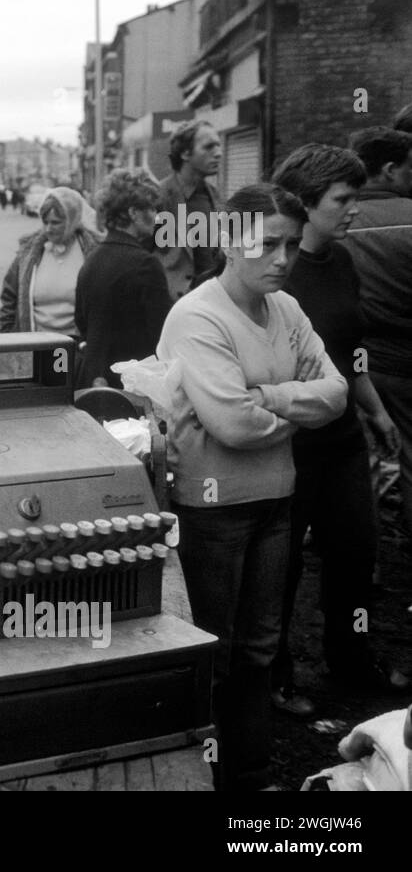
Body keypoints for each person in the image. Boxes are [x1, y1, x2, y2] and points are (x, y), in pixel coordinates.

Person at [157, 183, 348, 791]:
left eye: (290, 244)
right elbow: (233, 426)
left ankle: (250, 770)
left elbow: (338, 392)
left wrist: (265, 397)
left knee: (262, 647)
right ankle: (201, 774)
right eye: (266, 243)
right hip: (211, 508)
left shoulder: (287, 310)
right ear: (227, 241)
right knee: (213, 650)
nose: (282, 258)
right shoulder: (197, 315)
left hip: (276, 499)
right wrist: (293, 403)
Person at [269, 144, 408, 716]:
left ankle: (350, 658)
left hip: (343, 437)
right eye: (343, 199)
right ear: (307, 203)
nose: (353, 209)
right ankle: (274, 673)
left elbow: (351, 352)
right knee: (283, 565)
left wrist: (373, 409)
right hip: (289, 443)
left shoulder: (344, 262)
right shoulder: (275, 271)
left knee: (353, 552)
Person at [344, 127, 412, 558]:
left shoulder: (339, 221)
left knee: (357, 464)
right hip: (406, 364)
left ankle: (361, 566)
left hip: (352, 363)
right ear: (388, 169)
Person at [74, 170, 171, 389]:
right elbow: (163, 335)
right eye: (153, 209)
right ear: (134, 213)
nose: (157, 217)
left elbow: (82, 321)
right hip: (133, 383)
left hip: (93, 379)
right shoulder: (146, 265)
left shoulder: (91, 260)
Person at [0, 187, 101, 336]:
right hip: (37, 344)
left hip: (77, 346)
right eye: (45, 222)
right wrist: (8, 335)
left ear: (72, 220)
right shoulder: (28, 253)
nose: (48, 229)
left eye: (55, 222)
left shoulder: (93, 252)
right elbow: (10, 295)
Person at [155, 119, 224, 302]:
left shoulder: (215, 196)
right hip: (170, 304)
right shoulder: (158, 197)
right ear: (185, 153)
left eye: (219, 146)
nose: (219, 153)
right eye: (209, 147)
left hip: (211, 302)